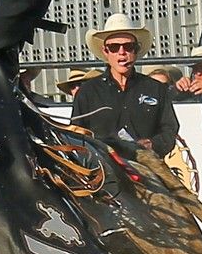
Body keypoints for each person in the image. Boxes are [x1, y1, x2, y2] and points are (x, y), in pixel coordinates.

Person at [70, 13, 179, 156]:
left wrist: (153, 144)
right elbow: (75, 135)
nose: (122, 52)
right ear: (106, 51)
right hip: (102, 167)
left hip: (148, 165)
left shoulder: (157, 89)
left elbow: (170, 129)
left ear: (136, 50)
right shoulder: (87, 92)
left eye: (128, 46)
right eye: (114, 47)